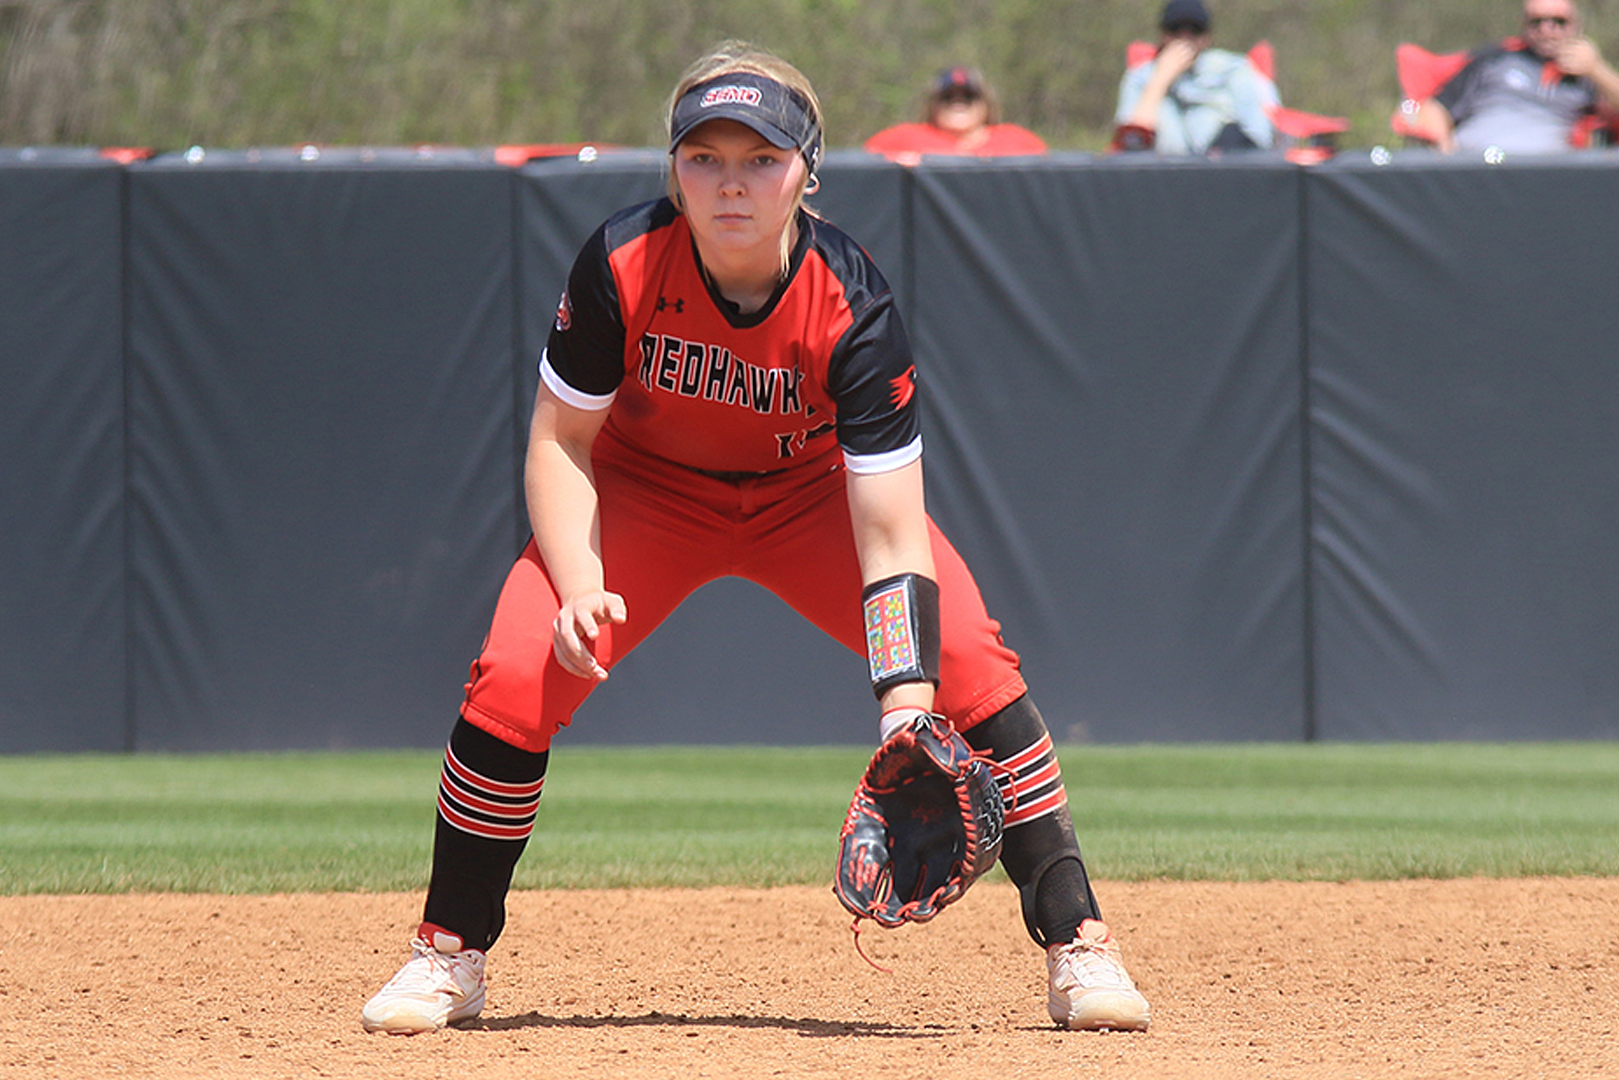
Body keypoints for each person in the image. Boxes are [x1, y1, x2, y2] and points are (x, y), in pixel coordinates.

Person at [359, 40, 1151, 1036]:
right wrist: (579, 580)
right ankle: (448, 954)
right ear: (674, 171)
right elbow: (560, 444)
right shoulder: (619, 262)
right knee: (515, 675)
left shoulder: (851, 302)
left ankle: (1078, 945)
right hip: (650, 493)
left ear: (804, 174)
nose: (731, 183)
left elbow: (892, 523)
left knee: (974, 674)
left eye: (760, 160)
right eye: (705, 158)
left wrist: (905, 705)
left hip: (805, 498)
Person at [1410, 0, 1619, 154]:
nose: (1547, 29)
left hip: (1544, 177)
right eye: (1537, 22)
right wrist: (1443, 150)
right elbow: (1434, 109)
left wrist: (1595, 68)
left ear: (1575, 26)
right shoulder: (1495, 59)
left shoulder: (1587, 76)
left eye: (1558, 22)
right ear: (1524, 25)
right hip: (1474, 165)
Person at [1114, 0, 1280, 155]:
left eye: (1195, 31)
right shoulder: (1140, 77)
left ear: (1207, 37)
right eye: (1175, 29)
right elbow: (1132, 142)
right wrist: (1161, 79)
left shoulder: (1235, 70)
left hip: (1224, 173)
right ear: (1162, 34)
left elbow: (1260, 139)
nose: (1185, 39)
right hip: (1163, 176)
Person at [864, 65, 1048, 163]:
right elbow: (860, 169)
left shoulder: (1016, 139)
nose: (958, 103)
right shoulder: (903, 137)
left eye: (968, 96)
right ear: (932, 104)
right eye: (947, 97)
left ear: (986, 104)